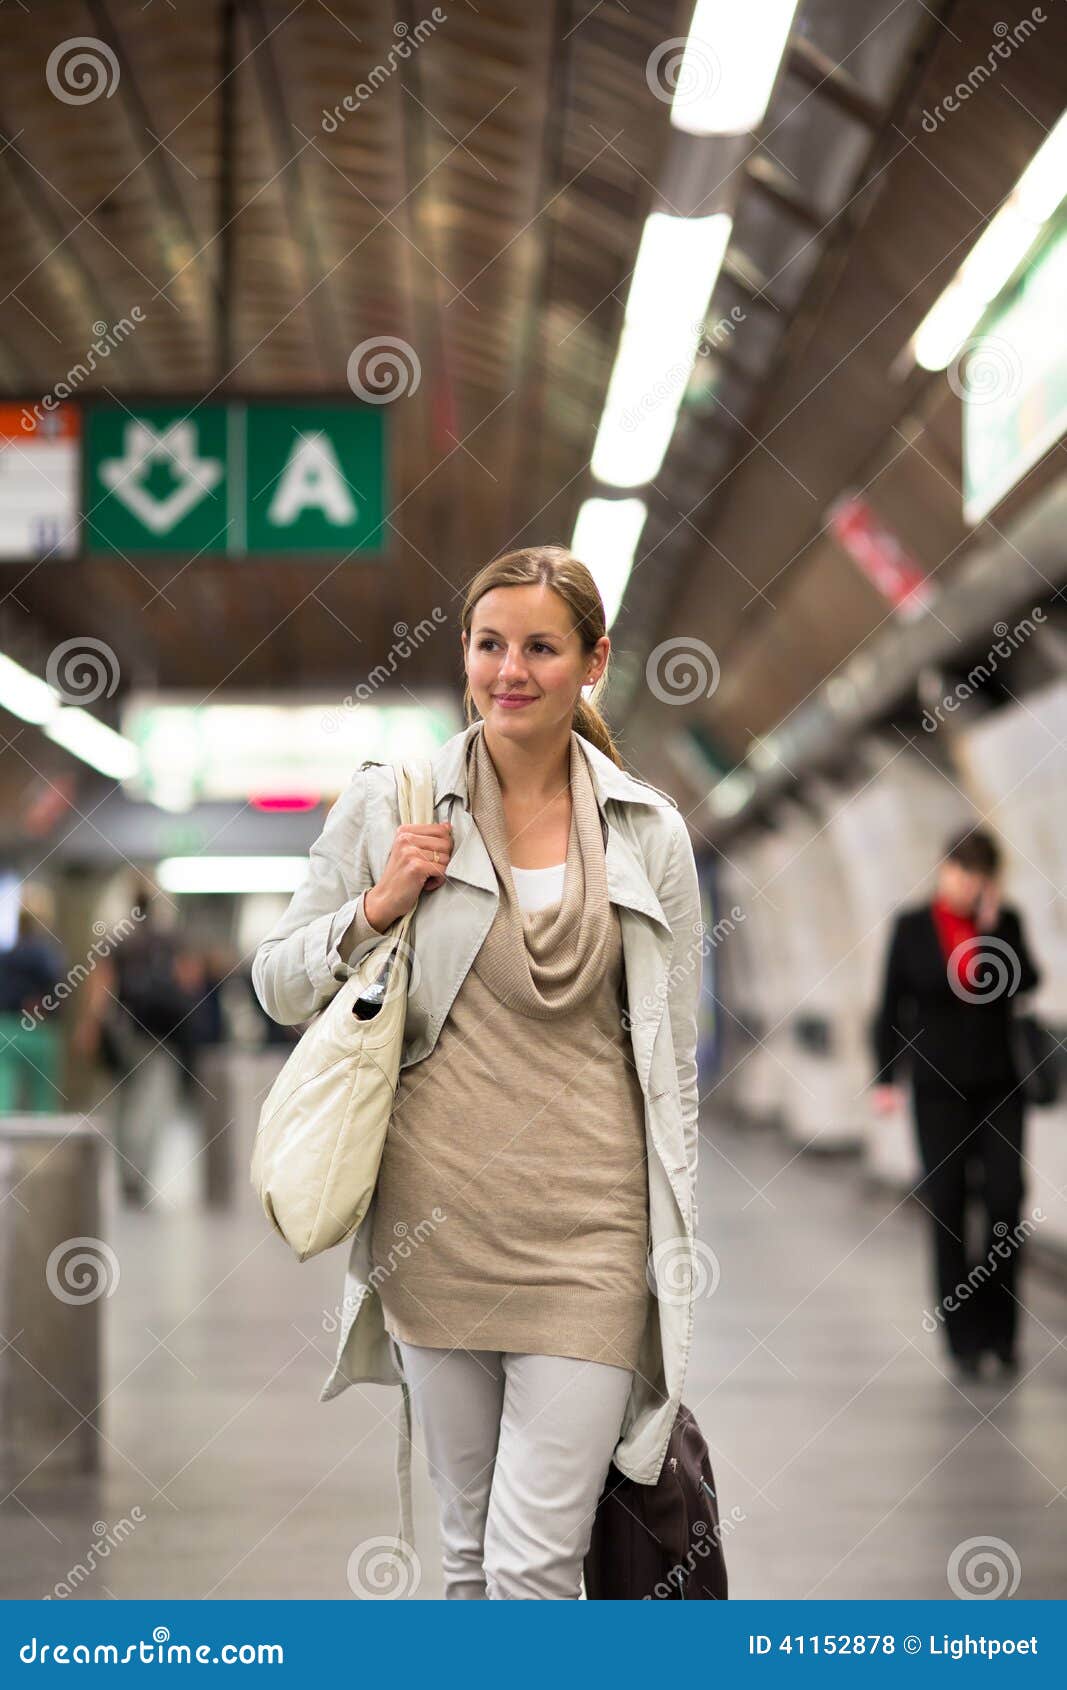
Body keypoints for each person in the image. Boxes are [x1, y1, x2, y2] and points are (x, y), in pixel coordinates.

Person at [252, 545, 703, 1600]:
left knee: (533, 1562)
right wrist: (376, 908)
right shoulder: (393, 806)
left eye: (540, 646)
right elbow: (275, 981)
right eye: (488, 643)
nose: (510, 668)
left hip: (589, 1243)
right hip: (436, 1229)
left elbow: (669, 1068)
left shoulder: (647, 833)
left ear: (591, 661)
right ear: (462, 653)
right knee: (463, 1557)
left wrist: (672, 1256)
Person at [871, 828, 1042, 1380]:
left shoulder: (1003, 924)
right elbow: (891, 1001)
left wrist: (994, 935)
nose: (968, 884)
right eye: (961, 871)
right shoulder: (913, 927)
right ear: (943, 869)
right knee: (946, 1207)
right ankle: (962, 1337)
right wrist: (885, 1076)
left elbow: (1029, 980)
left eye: (979, 876)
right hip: (937, 1089)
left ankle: (1001, 1330)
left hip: (999, 1087)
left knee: (1004, 1200)